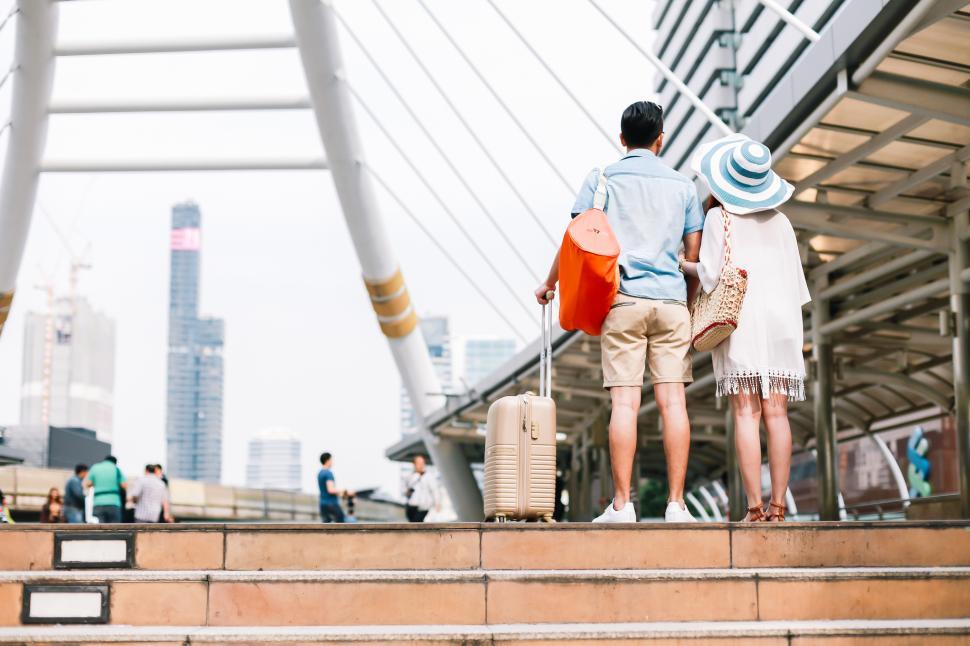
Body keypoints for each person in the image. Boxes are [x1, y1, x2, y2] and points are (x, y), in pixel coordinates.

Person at [535, 101, 703, 522]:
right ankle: (677, 506)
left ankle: (622, 505)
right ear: (660, 139)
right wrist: (686, 302)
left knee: (625, 406)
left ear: (622, 138)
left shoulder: (603, 178)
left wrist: (549, 283)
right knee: (673, 403)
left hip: (623, 300)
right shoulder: (683, 186)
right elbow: (694, 255)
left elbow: (577, 240)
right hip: (670, 302)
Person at [680, 134, 809, 522]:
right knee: (778, 413)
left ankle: (754, 508)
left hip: (744, 319)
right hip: (783, 321)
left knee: (746, 413)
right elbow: (798, 286)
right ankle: (779, 507)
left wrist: (679, 266)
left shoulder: (718, 218)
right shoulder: (782, 222)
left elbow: (711, 274)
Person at [84, 455, 126, 524]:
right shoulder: (116, 469)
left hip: (98, 503)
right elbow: (124, 486)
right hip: (114, 503)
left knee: (101, 529)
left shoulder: (95, 467)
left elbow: (87, 484)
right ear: (114, 462)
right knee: (114, 529)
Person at [317, 452, 352, 523]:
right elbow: (331, 490)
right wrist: (344, 491)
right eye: (331, 460)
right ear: (327, 460)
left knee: (326, 527)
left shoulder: (320, 473)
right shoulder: (328, 473)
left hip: (322, 504)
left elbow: (325, 490)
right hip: (331, 503)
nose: (332, 462)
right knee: (342, 524)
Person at [402, 455, 438, 523]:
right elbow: (404, 489)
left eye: (422, 463)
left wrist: (437, 504)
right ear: (414, 464)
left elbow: (435, 490)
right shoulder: (409, 476)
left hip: (424, 506)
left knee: (417, 523)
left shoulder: (429, 476)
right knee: (412, 524)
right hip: (411, 505)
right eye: (418, 463)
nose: (421, 465)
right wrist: (407, 492)